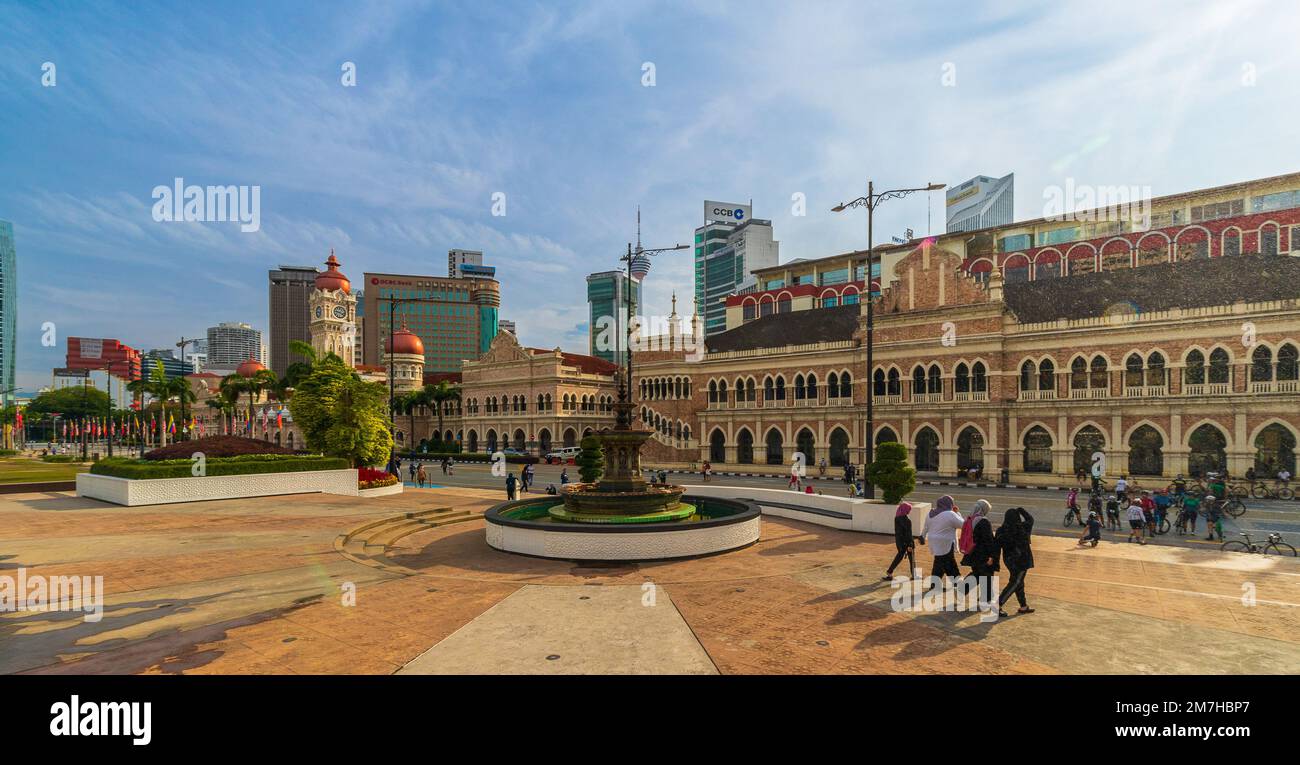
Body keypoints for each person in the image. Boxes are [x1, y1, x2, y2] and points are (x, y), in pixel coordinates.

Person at [960, 499, 999, 613]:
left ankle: (963, 589)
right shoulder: (983, 521)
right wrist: (992, 556)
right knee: (986, 577)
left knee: (977, 573)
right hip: (983, 554)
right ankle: (984, 601)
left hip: (972, 553)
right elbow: (988, 540)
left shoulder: (969, 519)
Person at [997, 507, 1036, 616]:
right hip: (1022, 559)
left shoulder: (1001, 530)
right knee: (1016, 582)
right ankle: (998, 604)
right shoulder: (1023, 527)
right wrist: (1021, 510)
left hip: (1009, 560)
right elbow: (1030, 519)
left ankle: (1023, 606)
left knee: (1019, 581)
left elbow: (997, 546)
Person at [922, 495, 964, 590]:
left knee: (940, 562)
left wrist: (923, 536)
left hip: (934, 541)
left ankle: (934, 585)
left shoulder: (931, 513)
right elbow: (962, 524)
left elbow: (926, 527)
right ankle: (957, 583)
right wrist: (957, 513)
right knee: (949, 562)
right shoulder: (950, 514)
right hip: (946, 542)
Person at [884, 501, 919, 580]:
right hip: (907, 541)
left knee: (899, 557)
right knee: (911, 559)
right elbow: (908, 533)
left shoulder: (897, 518)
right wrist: (910, 544)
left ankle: (889, 572)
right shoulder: (907, 521)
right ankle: (914, 575)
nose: (909, 511)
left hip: (899, 541)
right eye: (909, 510)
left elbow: (899, 532)